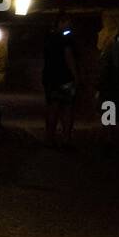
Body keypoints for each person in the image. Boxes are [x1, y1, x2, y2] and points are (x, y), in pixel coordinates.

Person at [42, 14, 77, 146]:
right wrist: (76, 76)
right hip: (65, 79)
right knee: (67, 108)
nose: (70, 25)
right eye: (67, 22)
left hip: (50, 79)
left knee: (52, 107)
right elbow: (69, 58)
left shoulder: (48, 39)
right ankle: (66, 139)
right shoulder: (66, 40)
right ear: (61, 22)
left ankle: (50, 138)